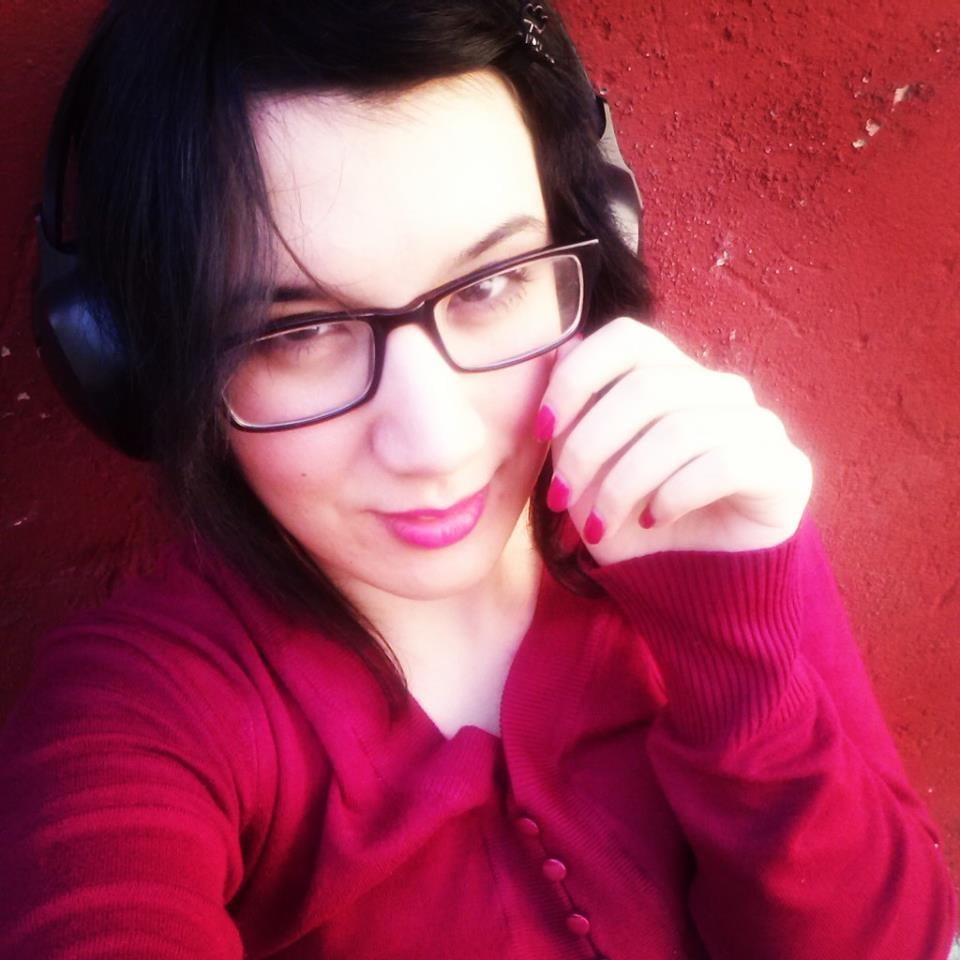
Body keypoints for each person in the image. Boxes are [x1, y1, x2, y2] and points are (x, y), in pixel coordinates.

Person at [0, 1, 955, 958]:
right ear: (143, 365)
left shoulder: (703, 514)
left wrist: (736, 656)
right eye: (297, 332)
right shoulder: (139, 709)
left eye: (491, 284)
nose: (434, 443)